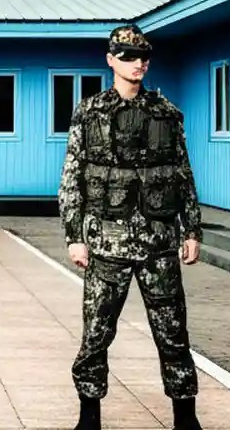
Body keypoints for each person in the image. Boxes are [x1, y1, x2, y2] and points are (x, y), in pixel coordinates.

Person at [58, 24, 204, 430]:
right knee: (97, 334)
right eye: (126, 56)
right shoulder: (89, 113)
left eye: (142, 57)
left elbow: (182, 173)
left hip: (159, 242)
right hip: (106, 242)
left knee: (173, 334)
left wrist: (192, 230)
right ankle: (89, 417)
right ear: (110, 60)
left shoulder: (167, 114)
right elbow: (73, 176)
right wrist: (74, 236)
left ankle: (185, 418)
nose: (137, 63)